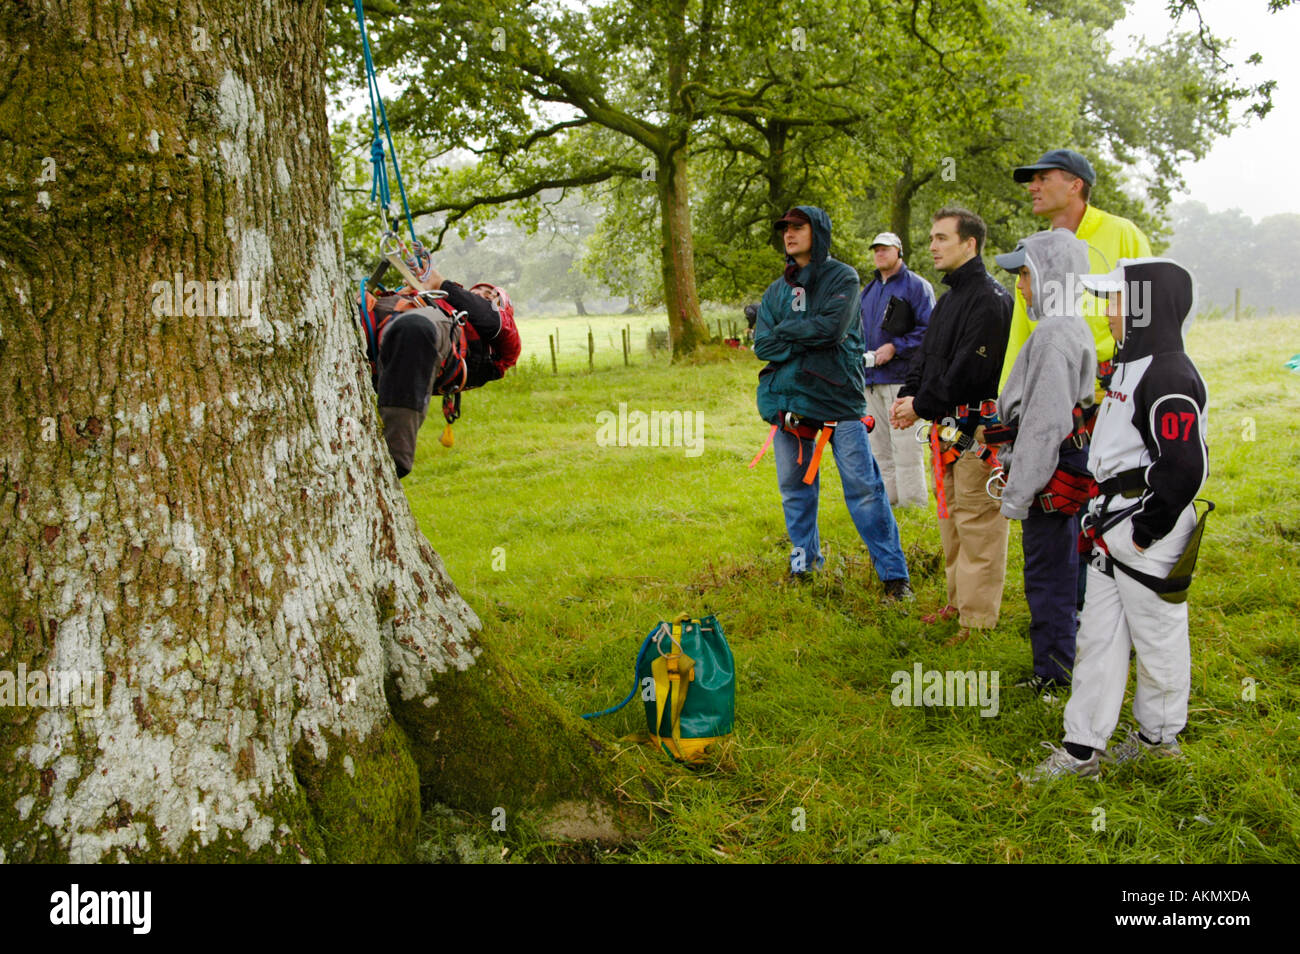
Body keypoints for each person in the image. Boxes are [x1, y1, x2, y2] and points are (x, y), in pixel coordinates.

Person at [1023, 258, 1209, 781]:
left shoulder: (1170, 371)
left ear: (1150, 306)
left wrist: (1146, 529)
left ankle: (1158, 741)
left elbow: (1184, 465)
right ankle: (1083, 749)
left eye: (1119, 300)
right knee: (1098, 638)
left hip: (1146, 529)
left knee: (1158, 637)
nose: (1108, 311)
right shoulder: (1131, 364)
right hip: (1111, 527)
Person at [753, 206, 912, 601]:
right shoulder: (776, 290)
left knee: (863, 489)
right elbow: (762, 344)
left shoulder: (843, 277)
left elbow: (832, 328)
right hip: (789, 403)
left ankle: (895, 578)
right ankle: (803, 567)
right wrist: (801, 335)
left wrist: (786, 333)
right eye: (785, 228)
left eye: (798, 227)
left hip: (839, 400)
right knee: (794, 490)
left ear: (817, 231)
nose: (789, 234)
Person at [890, 207, 1012, 640]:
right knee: (953, 519)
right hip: (944, 429)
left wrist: (920, 405)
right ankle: (959, 603)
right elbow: (927, 356)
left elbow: (968, 372)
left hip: (974, 430)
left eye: (942, 238)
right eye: (932, 238)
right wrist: (909, 394)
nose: (932, 246)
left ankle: (977, 621)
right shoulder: (950, 299)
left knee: (979, 520)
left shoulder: (991, 301)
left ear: (970, 244)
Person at [992, 230, 1096, 690]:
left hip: (1050, 474)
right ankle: (1070, 662)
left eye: (1026, 275)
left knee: (1048, 575)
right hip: (1065, 467)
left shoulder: (1054, 334)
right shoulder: (1068, 324)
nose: (1020, 286)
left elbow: (1044, 425)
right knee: (1065, 571)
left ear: (1051, 277)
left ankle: (1054, 677)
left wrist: (1017, 493)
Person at [999, 149, 1152, 392]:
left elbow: (1147, 317)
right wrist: (1006, 401)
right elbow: (1020, 334)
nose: (1032, 187)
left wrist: (1140, 390)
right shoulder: (1033, 251)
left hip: (1114, 394)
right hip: (1051, 394)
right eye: (1033, 181)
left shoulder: (1123, 234)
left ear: (1075, 185)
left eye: (1043, 178)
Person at [370, 264, 520, 478]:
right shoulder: (443, 299)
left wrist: (443, 285)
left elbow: (490, 319)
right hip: (396, 318)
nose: (482, 294)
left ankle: (396, 454)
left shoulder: (503, 341)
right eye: (478, 291)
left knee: (414, 328)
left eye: (491, 295)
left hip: (436, 331)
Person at [859, 231, 935, 508]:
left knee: (905, 448)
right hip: (871, 379)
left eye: (886, 249)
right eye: (876, 249)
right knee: (879, 449)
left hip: (902, 379)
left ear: (899, 252)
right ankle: (889, 504)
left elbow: (930, 332)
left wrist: (897, 347)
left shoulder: (917, 287)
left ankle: (913, 506)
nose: (880, 254)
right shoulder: (868, 291)